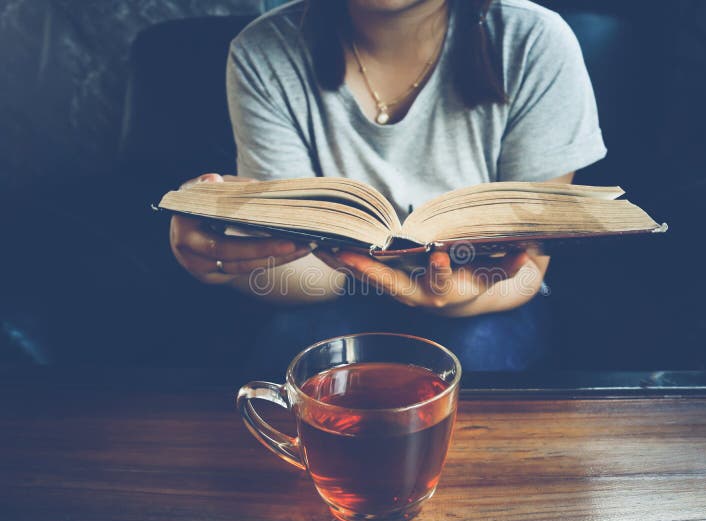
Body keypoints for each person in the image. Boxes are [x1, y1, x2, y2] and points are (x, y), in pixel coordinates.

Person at [168, 0, 606, 371]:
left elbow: (527, 269)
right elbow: (302, 272)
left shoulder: (533, 41)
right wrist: (226, 253)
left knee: (481, 353)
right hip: (336, 290)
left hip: (488, 295)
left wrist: (453, 294)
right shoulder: (263, 52)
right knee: (300, 353)